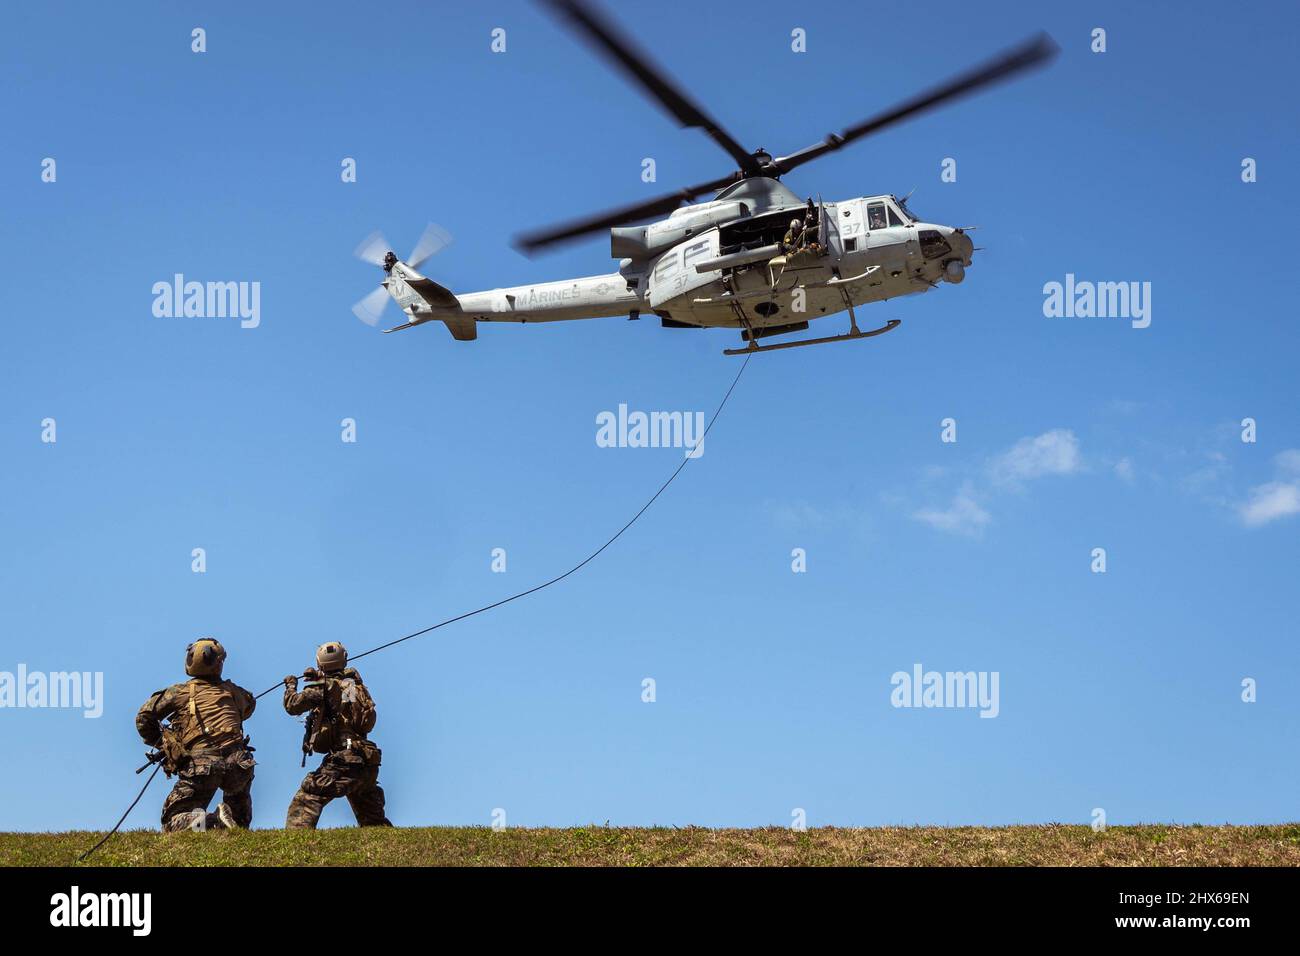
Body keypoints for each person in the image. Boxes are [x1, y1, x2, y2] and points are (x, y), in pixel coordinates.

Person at [135, 638, 257, 832]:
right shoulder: (235, 692)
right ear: (219, 663)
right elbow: (249, 707)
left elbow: (144, 718)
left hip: (202, 767)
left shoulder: (179, 692)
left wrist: (165, 744)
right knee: (238, 823)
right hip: (239, 764)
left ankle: (212, 820)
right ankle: (228, 819)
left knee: (172, 823)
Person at [282, 642, 392, 828]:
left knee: (306, 798)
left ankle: (295, 847)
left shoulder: (321, 687)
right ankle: (390, 849)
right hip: (366, 760)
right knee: (373, 821)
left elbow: (293, 705)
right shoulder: (351, 686)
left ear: (319, 663)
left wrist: (291, 685)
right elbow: (347, 712)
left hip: (344, 760)